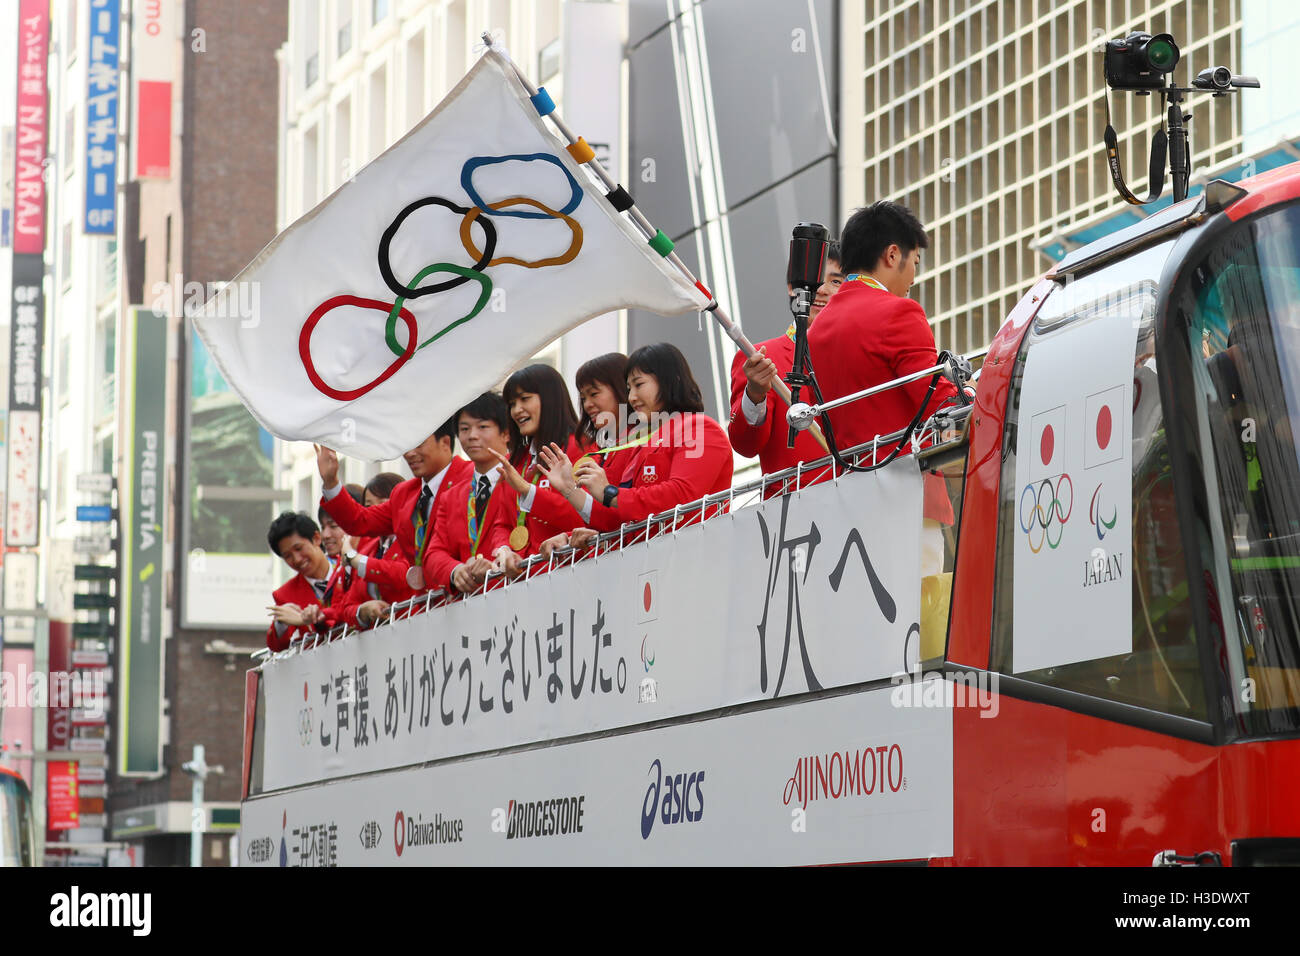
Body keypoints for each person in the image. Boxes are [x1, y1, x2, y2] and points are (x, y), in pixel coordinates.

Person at [806, 201, 961, 571]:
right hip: (909, 495)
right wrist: (971, 390)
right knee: (921, 618)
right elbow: (939, 403)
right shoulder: (899, 312)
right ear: (893, 254)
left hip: (851, 499)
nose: (912, 279)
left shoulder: (816, 330)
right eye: (914, 264)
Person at [538, 343, 733, 533]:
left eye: (639, 384)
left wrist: (609, 493)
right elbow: (619, 519)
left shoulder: (699, 426)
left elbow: (682, 495)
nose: (631, 397)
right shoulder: (644, 441)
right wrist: (569, 489)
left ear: (671, 380)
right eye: (629, 388)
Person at [729, 241, 843, 495]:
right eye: (814, 281)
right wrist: (754, 394)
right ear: (792, 288)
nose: (822, 290)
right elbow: (745, 445)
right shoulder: (758, 357)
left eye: (836, 281)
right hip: (794, 517)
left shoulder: (862, 353)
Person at [316, 416, 471, 600]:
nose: (410, 453)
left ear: (445, 442)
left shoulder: (471, 476)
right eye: (406, 445)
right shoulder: (404, 494)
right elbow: (360, 521)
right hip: (427, 606)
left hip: (468, 593)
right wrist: (331, 482)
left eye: (419, 444)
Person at [487, 364, 588, 573]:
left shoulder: (581, 449)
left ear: (550, 399)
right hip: (520, 578)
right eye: (512, 404)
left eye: (525, 399)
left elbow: (586, 514)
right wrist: (503, 549)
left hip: (567, 572)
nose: (516, 410)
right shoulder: (515, 460)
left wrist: (528, 491)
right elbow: (501, 523)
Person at [422, 392, 520, 594]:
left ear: (506, 433)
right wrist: (455, 570)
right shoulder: (451, 496)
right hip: (469, 603)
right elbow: (433, 553)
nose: (472, 435)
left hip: (514, 592)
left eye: (483, 427)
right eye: (464, 429)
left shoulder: (523, 478)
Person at [264, 511, 386, 652]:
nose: (297, 559)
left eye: (299, 548)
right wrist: (281, 621)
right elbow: (276, 646)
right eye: (288, 556)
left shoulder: (349, 567)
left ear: (316, 538)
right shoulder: (285, 595)